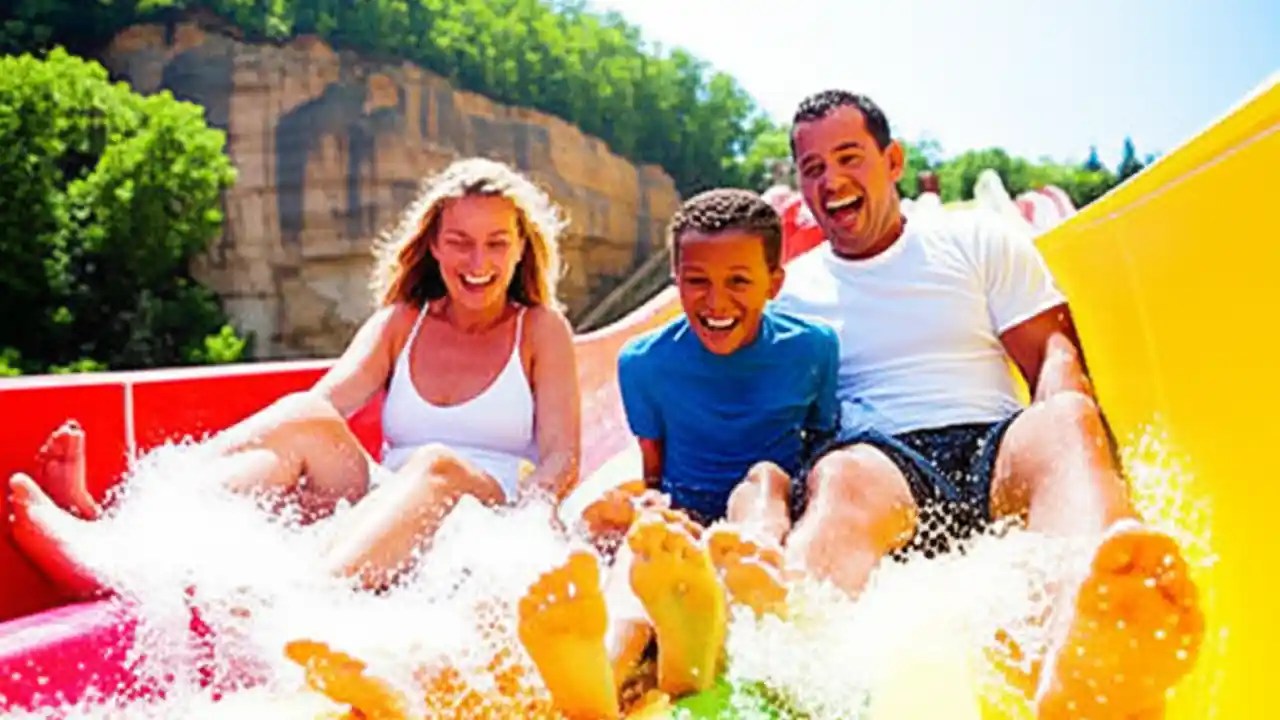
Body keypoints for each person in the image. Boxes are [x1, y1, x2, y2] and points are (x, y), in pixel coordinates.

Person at [763, 89, 1204, 718]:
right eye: (812, 169)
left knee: (1067, 419)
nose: (831, 180)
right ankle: (790, 675)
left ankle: (1086, 644)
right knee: (838, 474)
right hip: (882, 466)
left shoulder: (975, 238)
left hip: (993, 449)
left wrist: (1071, 434)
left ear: (892, 162)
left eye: (849, 157)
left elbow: (1051, 354)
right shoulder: (792, 296)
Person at [7, 156, 582, 596]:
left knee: (437, 463)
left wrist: (522, 529)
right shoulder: (400, 324)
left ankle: (304, 600)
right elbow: (318, 410)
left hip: (488, 511)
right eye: (459, 242)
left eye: (495, 244)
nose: (477, 263)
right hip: (389, 508)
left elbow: (562, 457)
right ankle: (120, 535)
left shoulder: (540, 330)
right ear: (433, 245)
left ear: (520, 248)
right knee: (303, 418)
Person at [513, 188, 839, 718]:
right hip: (685, 513)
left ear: (774, 283)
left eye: (738, 281)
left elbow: (822, 447)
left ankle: (748, 567)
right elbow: (654, 471)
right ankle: (606, 669)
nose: (715, 301)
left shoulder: (813, 347)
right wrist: (645, 515)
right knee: (646, 548)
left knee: (763, 478)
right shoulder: (644, 361)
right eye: (696, 282)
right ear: (675, 282)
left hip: (766, 511)